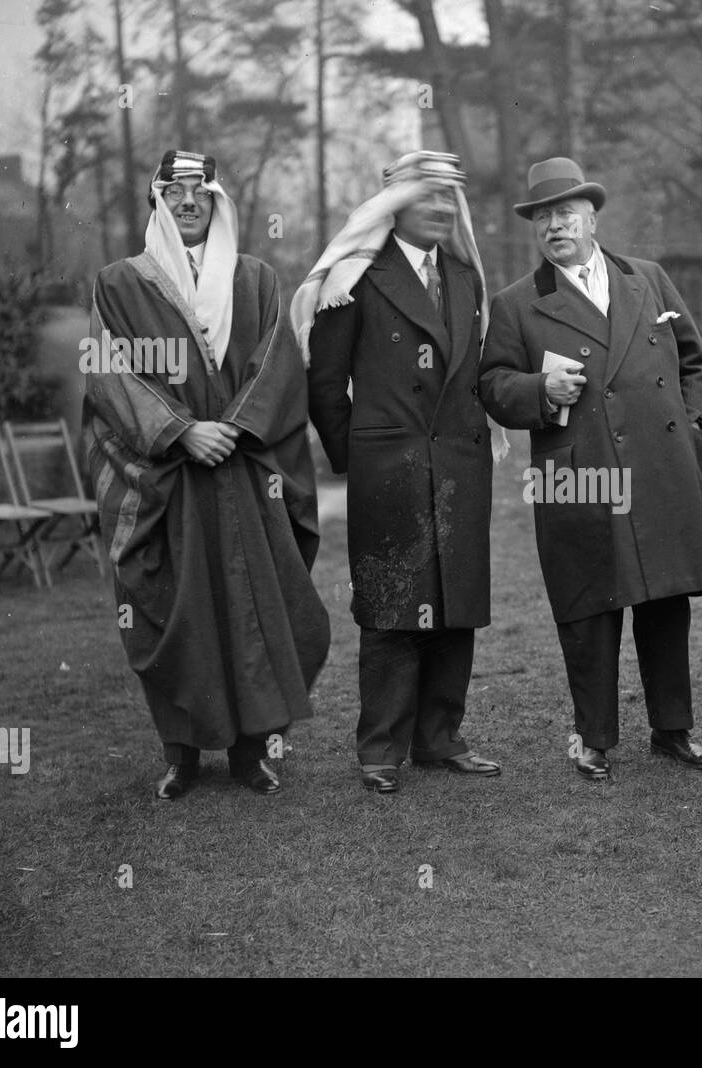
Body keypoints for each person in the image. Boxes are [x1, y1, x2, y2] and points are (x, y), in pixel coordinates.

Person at [83, 149, 330, 799]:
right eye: (174, 191)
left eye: (202, 191)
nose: (189, 201)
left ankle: (252, 753)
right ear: (157, 204)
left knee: (257, 610)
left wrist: (235, 426)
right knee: (173, 615)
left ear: (220, 203)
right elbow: (108, 371)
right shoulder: (120, 284)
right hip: (170, 480)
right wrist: (182, 431)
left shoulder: (255, 280)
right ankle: (182, 756)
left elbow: (279, 362)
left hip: (244, 475)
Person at [479, 157, 702, 781]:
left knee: (666, 601)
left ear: (592, 217)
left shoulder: (648, 277)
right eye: (542, 217)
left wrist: (695, 428)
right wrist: (538, 387)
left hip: (660, 464)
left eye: (565, 213)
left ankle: (673, 730)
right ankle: (593, 739)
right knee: (589, 607)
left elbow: (696, 361)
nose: (554, 226)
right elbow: (491, 385)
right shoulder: (516, 304)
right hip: (577, 474)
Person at [294, 151, 502, 795]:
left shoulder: (467, 279)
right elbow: (326, 386)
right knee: (389, 606)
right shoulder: (355, 277)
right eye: (429, 198)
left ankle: (440, 738)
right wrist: (362, 459)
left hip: (461, 468)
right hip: (389, 470)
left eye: (450, 200)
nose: (443, 210)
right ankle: (380, 747)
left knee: (456, 602)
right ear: (396, 204)